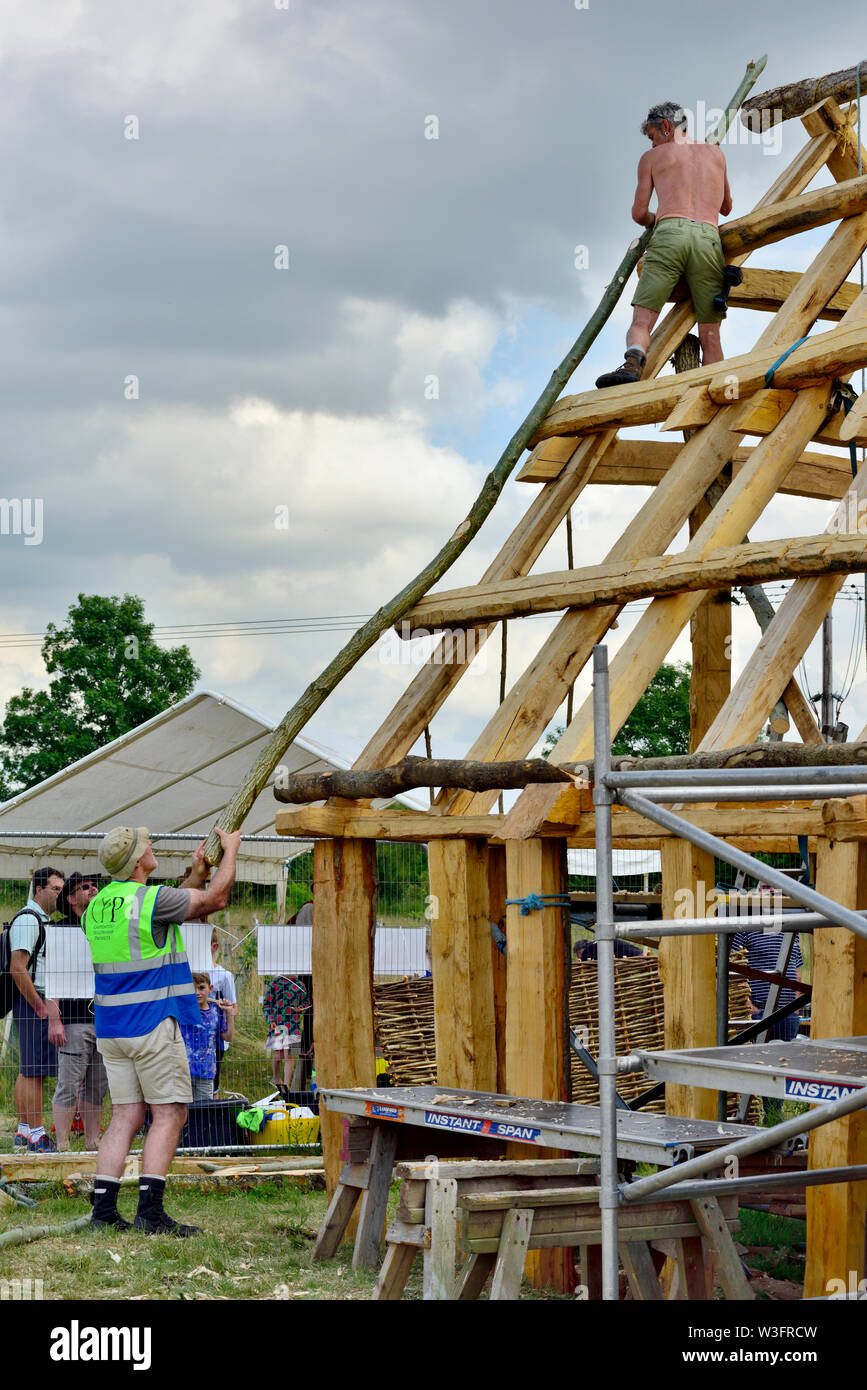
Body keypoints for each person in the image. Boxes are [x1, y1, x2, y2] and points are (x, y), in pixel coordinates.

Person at [82, 824, 241, 1235]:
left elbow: (178, 901)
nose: (152, 845)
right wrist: (231, 852)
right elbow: (215, 900)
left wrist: (197, 873)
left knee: (124, 1116)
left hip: (112, 1028)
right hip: (152, 1023)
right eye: (146, 843)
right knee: (169, 1112)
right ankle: (151, 1214)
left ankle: (103, 1211)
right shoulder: (150, 899)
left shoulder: (98, 905)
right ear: (138, 860)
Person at [595, 101, 733, 389]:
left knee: (642, 320)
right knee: (711, 333)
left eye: (652, 136)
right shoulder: (716, 154)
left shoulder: (653, 157)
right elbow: (727, 207)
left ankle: (633, 363)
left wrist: (657, 218)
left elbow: (638, 214)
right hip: (709, 237)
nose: (652, 143)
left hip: (670, 233)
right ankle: (716, 387)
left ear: (666, 127)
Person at [50, 872, 108, 1151]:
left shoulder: (106, 926)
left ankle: (92, 1141)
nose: (93, 889)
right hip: (73, 1020)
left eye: (94, 885)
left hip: (106, 1018)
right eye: (85, 887)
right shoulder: (61, 930)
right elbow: (53, 977)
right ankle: (62, 1145)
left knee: (98, 1085)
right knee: (69, 1084)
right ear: (71, 898)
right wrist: (54, 1019)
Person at [10, 866, 65, 1151]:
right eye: (55, 889)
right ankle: (37, 1134)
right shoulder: (29, 920)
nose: (59, 894)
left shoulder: (39, 920)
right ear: (39, 889)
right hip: (35, 999)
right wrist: (40, 1006)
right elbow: (17, 967)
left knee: (28, 1068)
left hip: (34, 1001)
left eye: (61, 888)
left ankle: (23, 1129)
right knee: (35, 1071)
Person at [729, 928, 803, 1042]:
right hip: (759, 1012)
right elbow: (732, 967)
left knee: (787, 1056)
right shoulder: (745, 931)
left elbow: (797, 970)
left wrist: (796, 1006)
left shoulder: (792, 932)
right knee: (757, 1056)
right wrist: (747, 1004)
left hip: (789, 1013)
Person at [180, 972, 233, 1100]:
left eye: (201, 988)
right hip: (182, 1072)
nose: (197, 992)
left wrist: (229, 1013)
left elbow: (227, 1037)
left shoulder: (215, 1011)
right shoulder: (182, 1009)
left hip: (206, 1072)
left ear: (210, 989)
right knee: (182, 1113)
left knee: (203, 1113)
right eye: (193, 989)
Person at [207, 930, 237, 1095]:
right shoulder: (188, 973)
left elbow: (234, 1007)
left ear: (215, 947)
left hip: (216, 1039)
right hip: (194, 1039)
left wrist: (224, 1011)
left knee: (213, 1082)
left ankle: (213, 1116)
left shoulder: (224, 976)